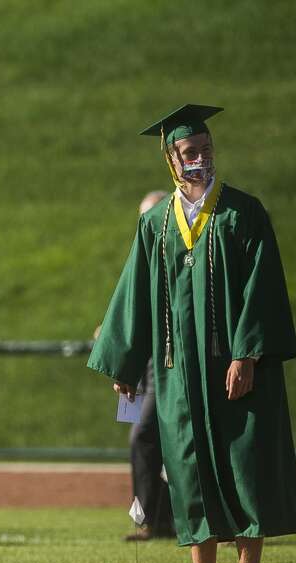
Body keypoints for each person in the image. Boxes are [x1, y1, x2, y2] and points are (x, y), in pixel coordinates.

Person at [87, 105, 296, 563]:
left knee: (244, 470)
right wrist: (124, 362)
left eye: (206, 150)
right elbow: (134, 293)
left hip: (235, 372)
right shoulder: (156, 224)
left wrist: (248, 353)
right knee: (188, 474)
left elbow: (262, 287)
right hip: (178, 375)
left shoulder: (242, 213)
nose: (200, 159)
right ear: (170, 159)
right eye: (189, 152)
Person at [124, 190, 176, 542]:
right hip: (144, 367)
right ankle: (153, 521)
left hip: (167, 365)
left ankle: (155, 521)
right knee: (144, 439)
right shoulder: (143, 256)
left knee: (145, 437)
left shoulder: (178, 253)